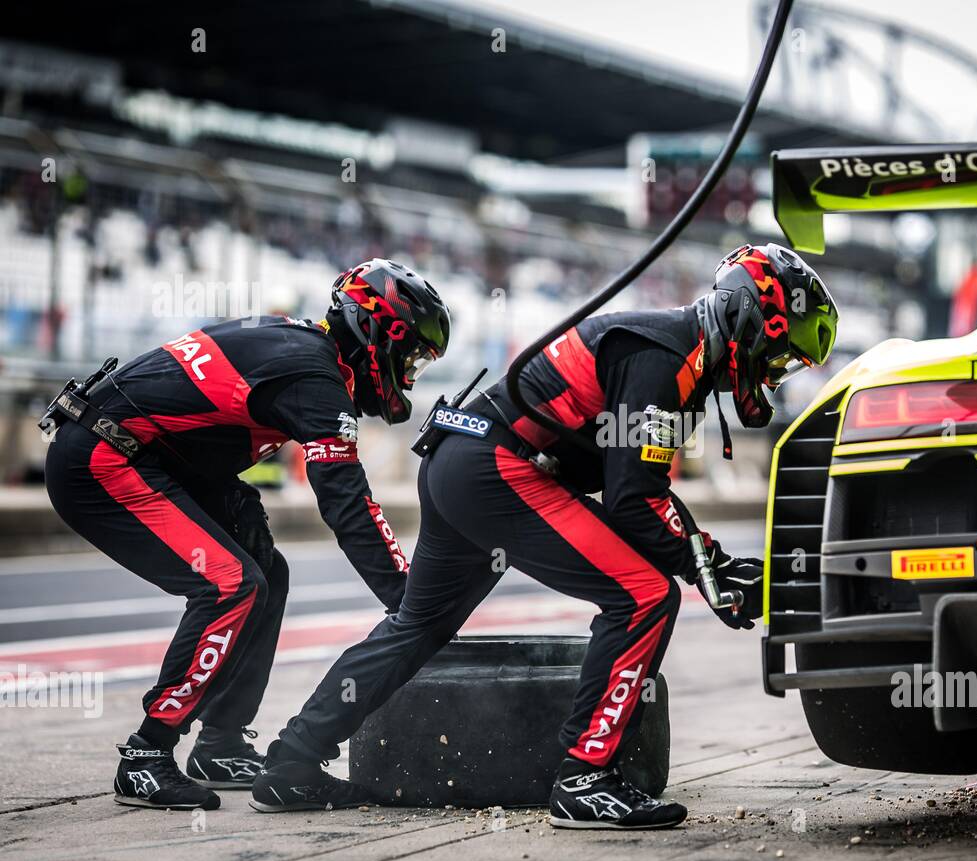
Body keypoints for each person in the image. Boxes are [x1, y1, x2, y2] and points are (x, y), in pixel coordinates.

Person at [252, 242, 839, 829]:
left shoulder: (672, 354)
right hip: (494, 468)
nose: (775, 373)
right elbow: (635, 501)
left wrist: (709, 565)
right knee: (644, 597)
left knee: (418, 623)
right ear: (751, 322)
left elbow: (636, 485)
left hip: (459, 460)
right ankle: (586, 778)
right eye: (781, 357)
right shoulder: (666, 359)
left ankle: (290, 764)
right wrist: (707, 567)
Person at [42, 259, 451, 811]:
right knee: (231, 585)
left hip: (147, 454)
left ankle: (221, 742)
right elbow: (349, 507)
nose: (409, 374)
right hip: (102, 457)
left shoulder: (303, 346)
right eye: (414, 358)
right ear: (382, 332)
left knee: (267, 573)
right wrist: (411, 604)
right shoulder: (315, 378)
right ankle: (145, 756)